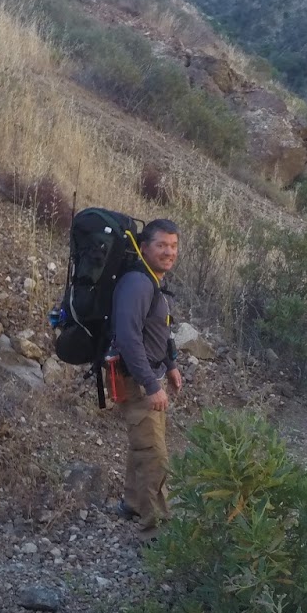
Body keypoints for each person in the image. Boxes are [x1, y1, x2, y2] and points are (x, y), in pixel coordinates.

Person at [111, 218, 183, 536]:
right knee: (154, 454)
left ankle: (131, 501)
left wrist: (169, 365)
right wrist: (151, 384)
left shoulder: (152, 281)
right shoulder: (138, 283)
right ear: (144, 247)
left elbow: (156, 330)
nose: (169, 252)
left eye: (173, 245)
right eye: (161, 245)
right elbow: (128, 337)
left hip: (148, 373)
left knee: (144, 442)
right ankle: (156, 529)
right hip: (138, 377)